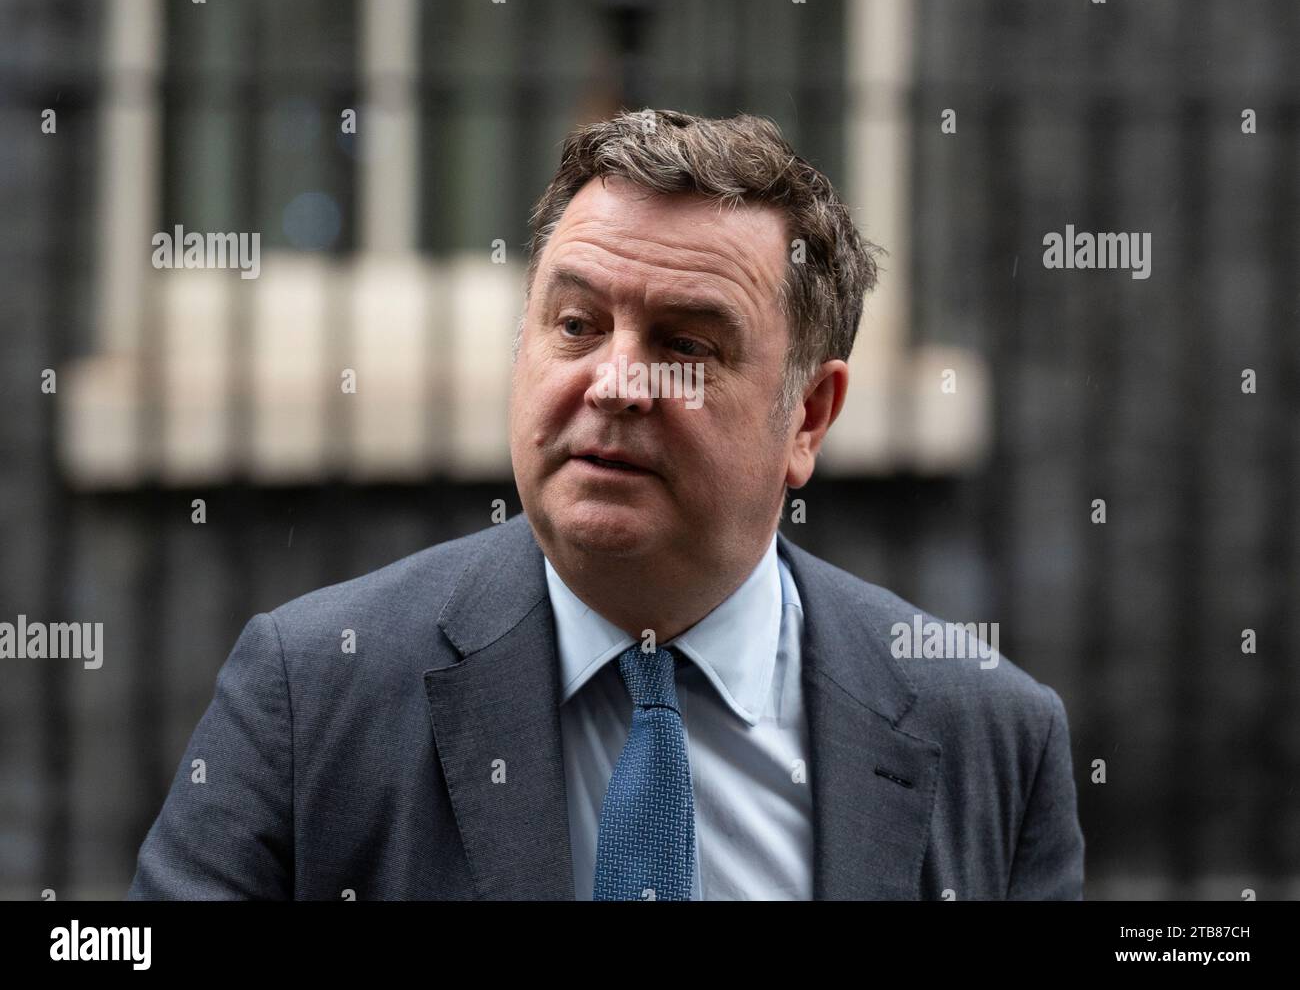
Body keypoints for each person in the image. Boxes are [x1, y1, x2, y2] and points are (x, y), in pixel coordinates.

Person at [128, 109, 1084, 900]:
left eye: (687, 345)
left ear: (809, 417)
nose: (617, 381)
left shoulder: (992, 736)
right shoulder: (311, 692)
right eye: (577, 324)